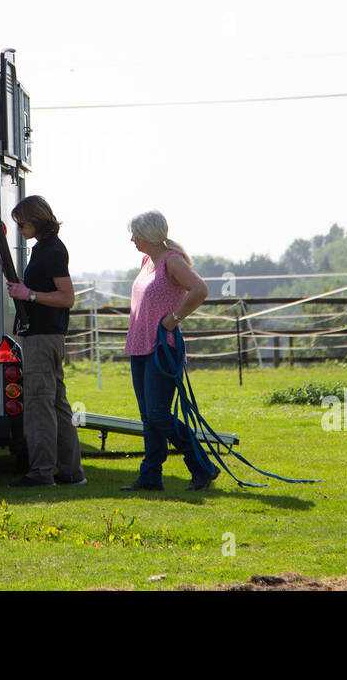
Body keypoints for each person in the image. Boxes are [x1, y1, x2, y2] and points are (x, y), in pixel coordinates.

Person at [122, 210, 217, 492]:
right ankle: (150, 476)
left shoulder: (171, 262)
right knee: (149, 417)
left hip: (161, 349)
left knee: (159, 415)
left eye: (136, 234)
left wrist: (173, 319)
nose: (132, 239)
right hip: (140, 347)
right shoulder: (146, 261)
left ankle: (202, 466)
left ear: (149, 235)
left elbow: (199, 289)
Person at [5, 196, 86, 487]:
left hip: (42, 337)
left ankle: (40, 473)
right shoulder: (45, 248)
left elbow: (67, 297)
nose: (20, 228)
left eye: (22, 223)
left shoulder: (50, 251)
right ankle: (70, 471)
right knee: (57, 404)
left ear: (35, 219)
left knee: (39, 403)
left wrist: (30, 296)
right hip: (48, 336)